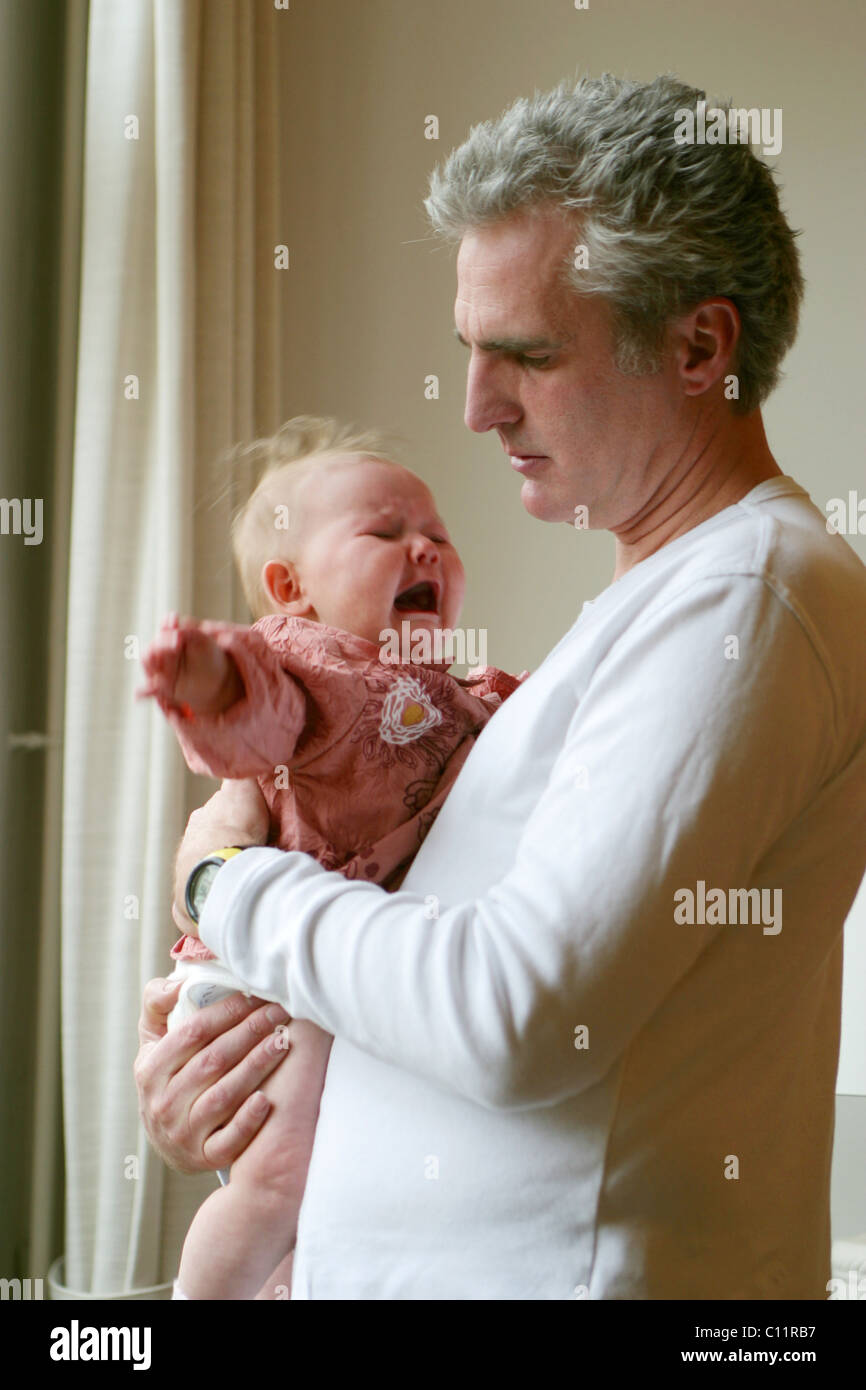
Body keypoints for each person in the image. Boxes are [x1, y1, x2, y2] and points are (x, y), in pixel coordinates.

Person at [135, 73, 866, 1299]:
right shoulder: (642, 613)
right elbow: (421, 971)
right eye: (468, 353)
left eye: (523, 355)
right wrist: (231, 1081)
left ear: (699, 346)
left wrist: (226, 880)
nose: (474, 408)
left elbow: (515, 1014)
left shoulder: (749, 597)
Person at [138, 416, 524, 1299]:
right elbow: (258, 706)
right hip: (257, 976)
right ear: (290, 588)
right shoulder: (315, 667)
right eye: (385, 533)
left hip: (324, 970)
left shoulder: (458, 689)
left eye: (438, 535)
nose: (424, 549)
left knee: (322, 1197)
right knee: (282, 1179)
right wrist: (209, 677)